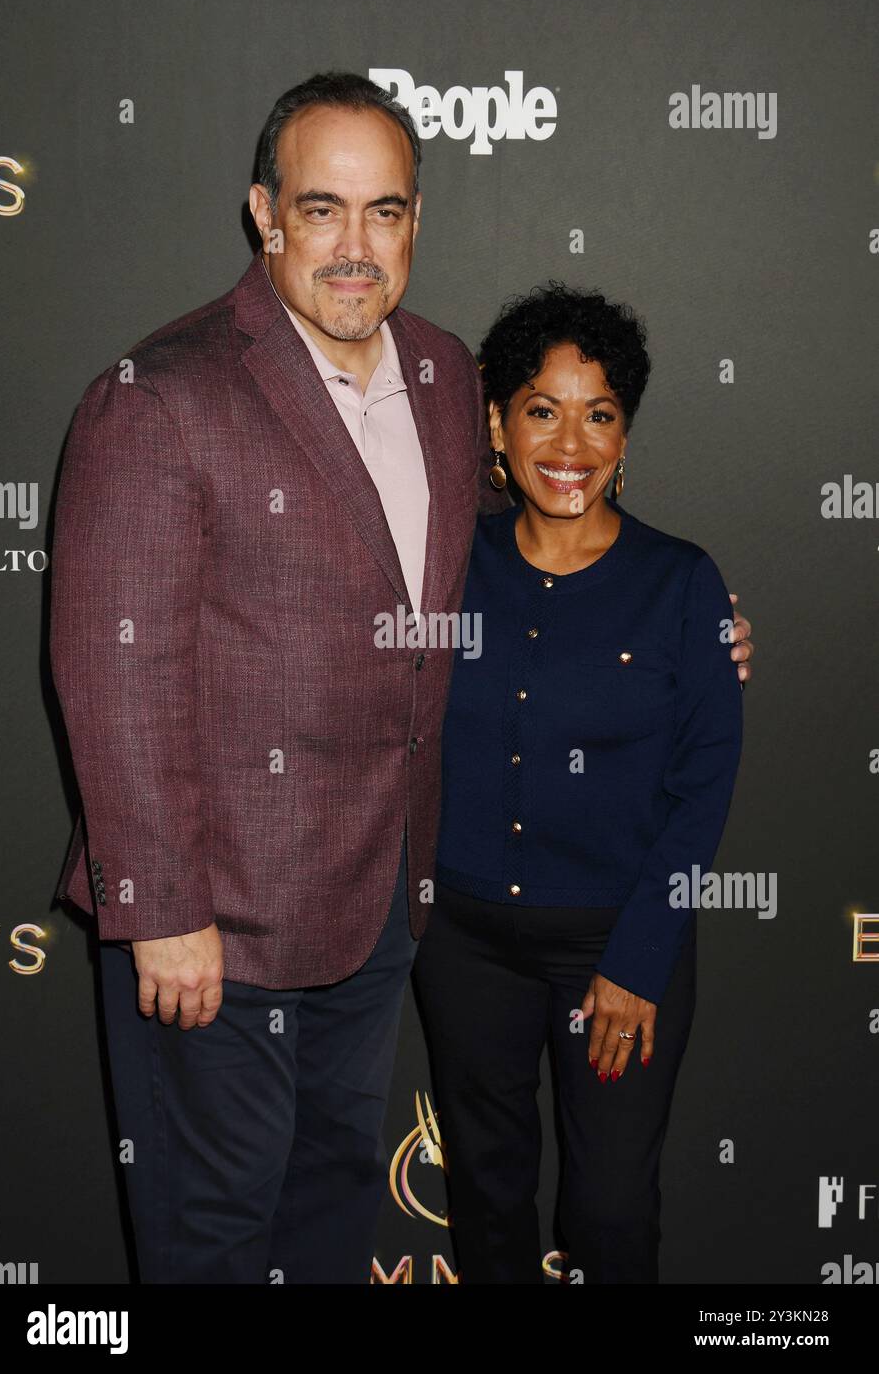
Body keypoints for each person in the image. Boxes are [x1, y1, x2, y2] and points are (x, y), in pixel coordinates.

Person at [49, 71, 754, 1286]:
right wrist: (160, 906)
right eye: (322, 210)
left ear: (417, 221)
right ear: (264, 215)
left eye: (385, 212)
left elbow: (522, 524)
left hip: (378, 906)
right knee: (213, 1235)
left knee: (324, 1214)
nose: (355, 247)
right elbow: (115, 669)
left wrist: (694, 621)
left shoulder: (437, 377)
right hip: (215, 922)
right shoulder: (161, 397)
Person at [412, 283, 745, 1284]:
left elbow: (704, 780)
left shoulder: (678, 581)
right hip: (464, 943)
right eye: (541, 409)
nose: (570, 441)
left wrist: (639, 960)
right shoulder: (443, 564)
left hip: (615, 944)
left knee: (606, 1214)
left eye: (597, 412)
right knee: (487, 1197)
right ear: (497, 426)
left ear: (624, 433)